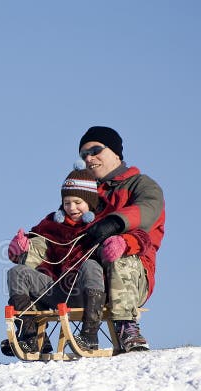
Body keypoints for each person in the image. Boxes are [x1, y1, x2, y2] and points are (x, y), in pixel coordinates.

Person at [1, 169, 109, 356]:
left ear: (90, 203)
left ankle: (89, 334)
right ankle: (30, 336)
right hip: (58, 289)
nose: (72, 208)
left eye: (78, 202)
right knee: (16, 272)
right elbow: (34, 236)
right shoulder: (52, 223)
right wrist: (20, 246)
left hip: (88, 291)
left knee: (90, 265)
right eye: (67, 203)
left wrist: (112, 244)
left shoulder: (101, 224)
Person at [77, 126, 165, 352]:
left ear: (116, 153)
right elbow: (61, 227)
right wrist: (32, 243)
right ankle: (28, 326)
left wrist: (116, 222)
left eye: (96, 150)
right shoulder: (85, 194)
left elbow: (149, 208)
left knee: (118, 256)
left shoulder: (141, 184)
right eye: (84, 154)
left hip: (133, 275)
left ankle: (127, 326)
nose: (89, 158)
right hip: (90, 276)